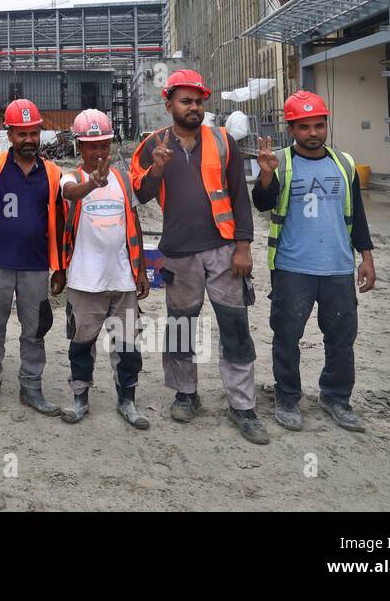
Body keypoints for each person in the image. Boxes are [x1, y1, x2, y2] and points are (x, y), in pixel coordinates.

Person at [130, 69, 267, 444]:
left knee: (235, 327)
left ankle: (243, 405)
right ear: (169, 103)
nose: (194, 107)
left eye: (199, 101)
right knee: (181, 328)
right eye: (186, 101)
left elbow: (240, 197)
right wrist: (157, 169)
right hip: (178, 253)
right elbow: (138, 195)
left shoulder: (223, 141)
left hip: (223, 251)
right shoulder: (152, 145)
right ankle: (185, 393)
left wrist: (243, 247)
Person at [252, 91, 376, 433]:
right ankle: (288, 398)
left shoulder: (344, 164)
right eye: (304, 126)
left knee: (341, 338)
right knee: (287, 336)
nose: (313, 133)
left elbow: (358, 216)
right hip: (293, 267)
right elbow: (262, 203)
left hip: (337, 266)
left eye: (319, 125)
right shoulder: (280, 162)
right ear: (291, 129)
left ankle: (336, 397)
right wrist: (265, 176)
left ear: (326, 125)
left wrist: (366, 257)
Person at [0, 98, 66, 417]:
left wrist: (59, 266)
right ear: (10, 135)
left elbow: (59, 221)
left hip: (35, 265)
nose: (28, 140)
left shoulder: (51, 172)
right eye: (21, 134)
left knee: (35, 330)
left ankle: (31, 387)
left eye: (33, 132)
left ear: (40, 132)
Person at [56, 109, 150, 428]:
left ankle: (127, 400)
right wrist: (91, 184)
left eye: (103, 145)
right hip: (85, 283)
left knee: (127, 345)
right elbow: (69, 194)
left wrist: (141, 272)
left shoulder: (124, 180)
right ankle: (80, 398)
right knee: (81, 344)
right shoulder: (72, 178)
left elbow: (133, 222)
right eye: (91, 145)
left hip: (122, 281)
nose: (98, 152)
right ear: (78, 148)